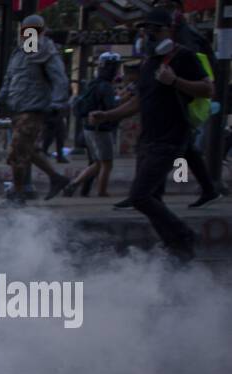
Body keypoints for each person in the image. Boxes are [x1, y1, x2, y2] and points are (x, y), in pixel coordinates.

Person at [89, 9, 213, 259]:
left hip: (170, 138)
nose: (149, 36)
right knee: (153, 196)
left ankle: (182, 235)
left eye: (155, 30)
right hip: (148, 140)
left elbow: (207, 89)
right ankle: (176, 248)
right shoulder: (150, 63)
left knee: (140, 196)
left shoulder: (184, 57)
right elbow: (138, 102)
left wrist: (175, 81)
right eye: (145, 31)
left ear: (169, 31)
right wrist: (108, 115)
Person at [0, 15, 72, 205]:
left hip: (33, 109)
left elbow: (60, 79)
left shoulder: (46, 51)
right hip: (18, 108)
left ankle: (18, 194)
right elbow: (10, 78)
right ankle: (56, 178)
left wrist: (57, 103)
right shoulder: (19, 52)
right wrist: (0, 97)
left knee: (17, 153)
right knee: (27, 150)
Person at [154, 0, 221, 207]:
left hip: (182, 97)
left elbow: (188, 64)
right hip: (179, 96)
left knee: (167, 146)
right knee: (185, 148)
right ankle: (208, 189)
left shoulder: (184, 35)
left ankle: (151, 193)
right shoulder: (176, 32)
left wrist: (174, 81)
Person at [66, 52, 121, 198]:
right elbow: (111, 108)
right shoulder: (106, 87)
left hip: (89, 128)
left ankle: (74, 184)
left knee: (97, 163)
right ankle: (102, 191)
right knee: (107, 163)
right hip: (101, 128)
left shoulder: (93, 83)